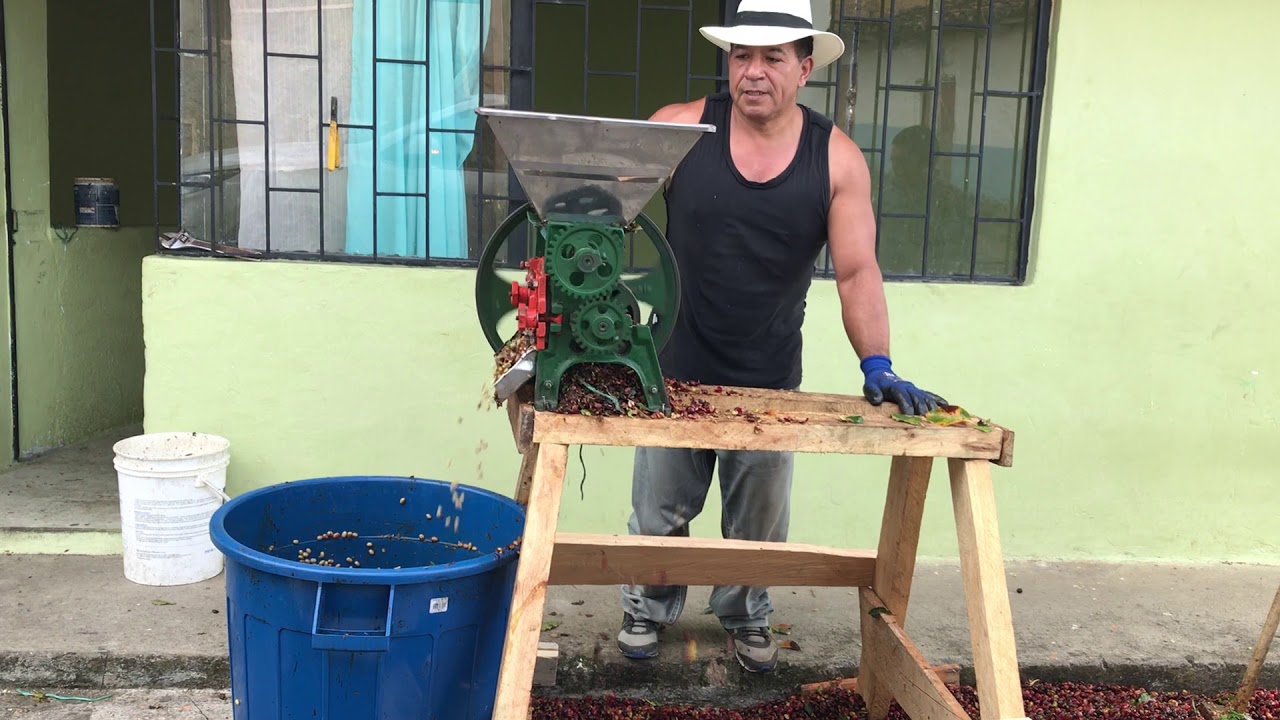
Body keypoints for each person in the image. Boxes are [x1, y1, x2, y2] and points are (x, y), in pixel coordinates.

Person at [616, 0, 948, 673]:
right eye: (742, 56)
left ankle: (745, 618)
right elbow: (594, 214)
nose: (754, 71)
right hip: (672, 370)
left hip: (769, 380)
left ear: (804, 69)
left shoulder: (836, 161)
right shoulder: (679, 131)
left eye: (772, 58)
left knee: (758, 527)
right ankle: (646, 607)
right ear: (728, 64)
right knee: (657, 513)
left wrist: (878, 362)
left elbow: (857, 272)